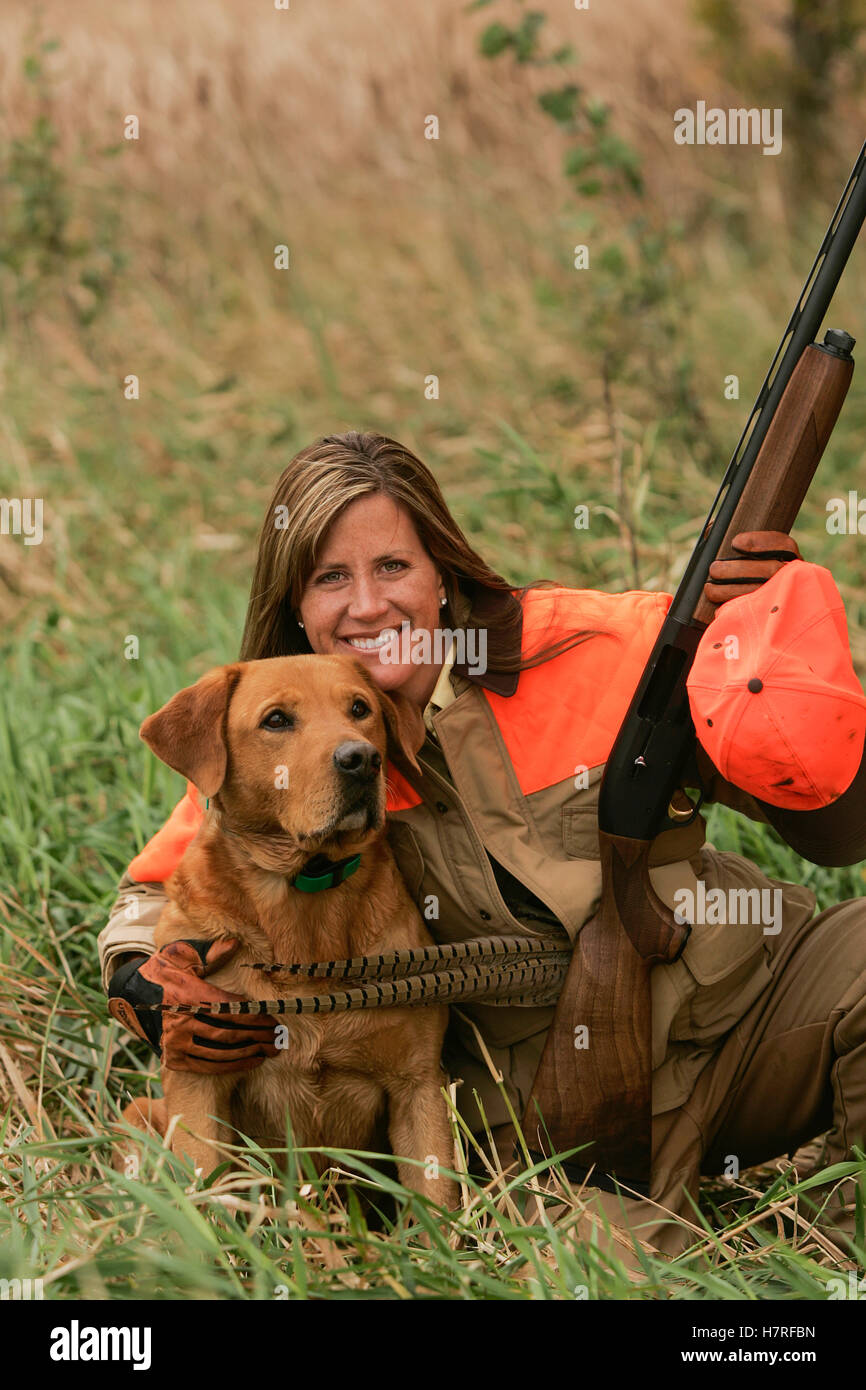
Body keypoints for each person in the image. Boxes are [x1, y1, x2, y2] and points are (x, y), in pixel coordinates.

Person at [101, 430, 866, 1258]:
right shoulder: (284, 760)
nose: (366, 606)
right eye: (331, 579)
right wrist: (148, 992)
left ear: (443, 570)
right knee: (596, 1273)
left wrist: (781, 665)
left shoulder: (605, 649)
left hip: (747, 1022)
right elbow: (153, 901)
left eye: (392, 567)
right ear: (297, 609)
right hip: (562, 1122)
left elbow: (836, 831)